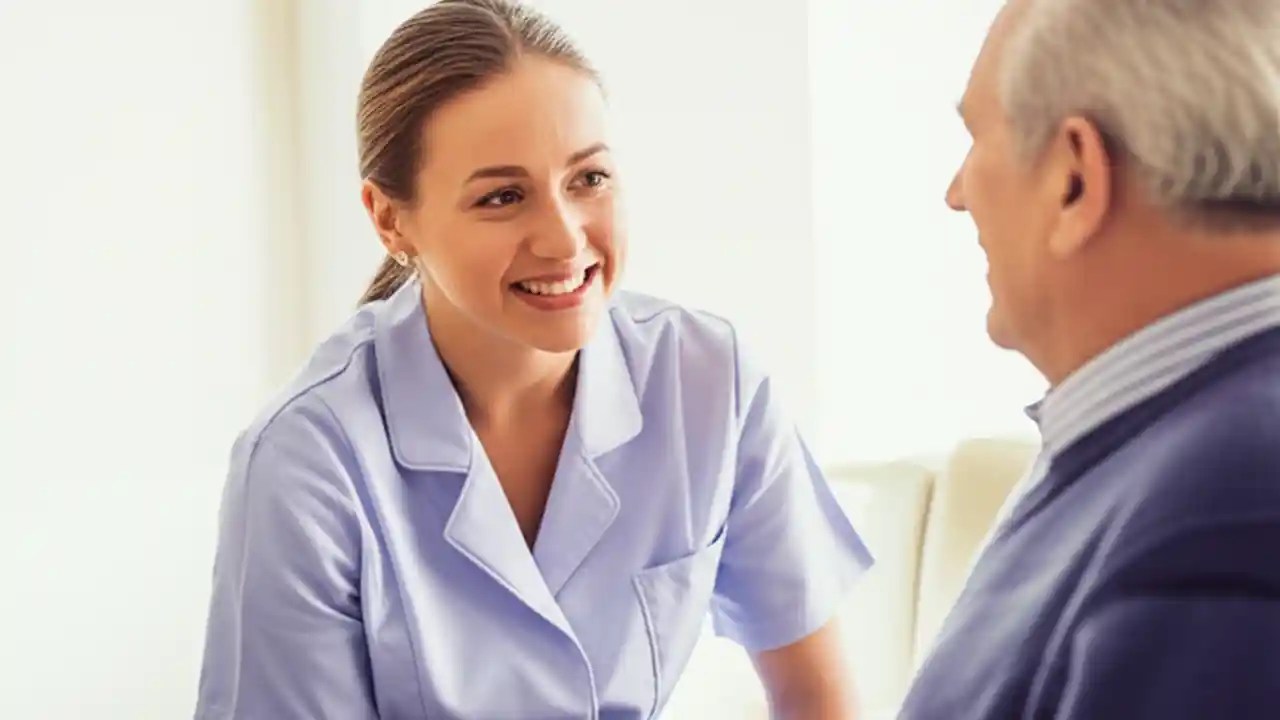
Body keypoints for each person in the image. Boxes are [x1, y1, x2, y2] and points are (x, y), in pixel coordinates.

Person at [193, 1, 872, 718]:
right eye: (503, 196)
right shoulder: (307, 460)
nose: (564, 238)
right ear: (390, 218)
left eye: (589, 180)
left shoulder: (709, 380)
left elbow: (816, 699)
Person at [901, 0, 1280, 718]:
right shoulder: (1158, 453)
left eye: (978, 137)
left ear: (1074, 178)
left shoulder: (1222, 528)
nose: (957, 193)